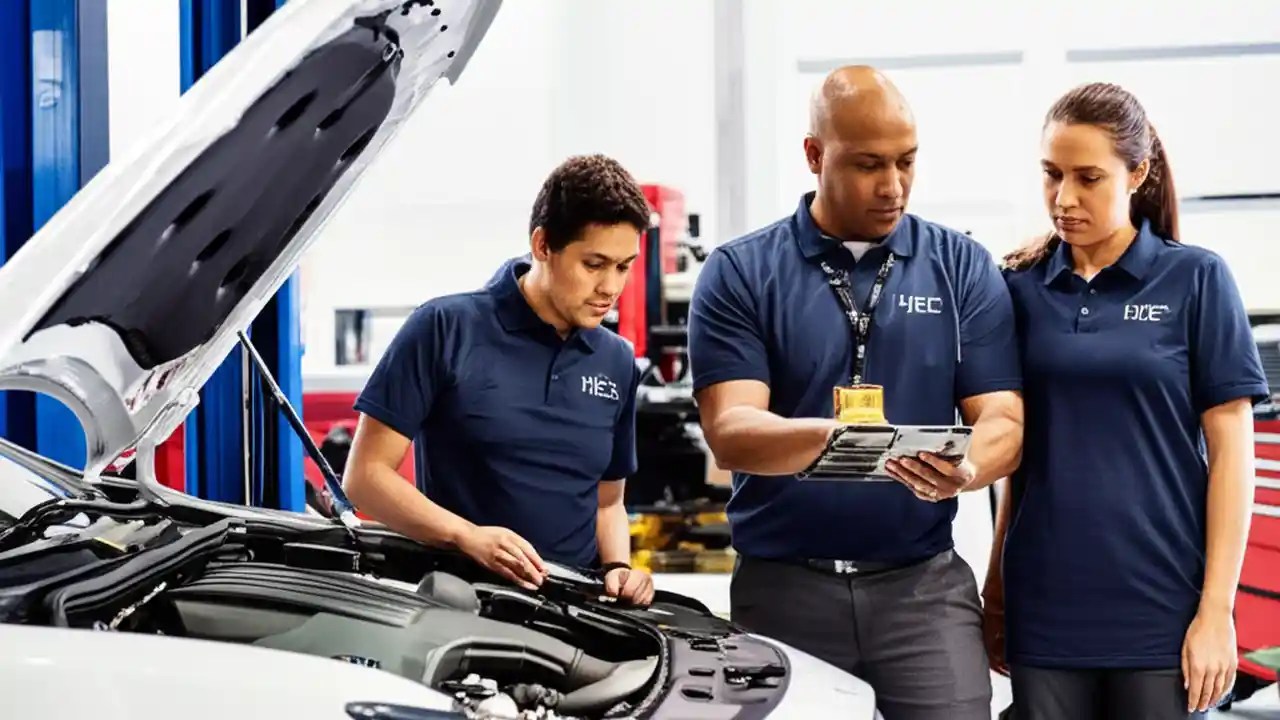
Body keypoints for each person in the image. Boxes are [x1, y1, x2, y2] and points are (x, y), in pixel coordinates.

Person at [687, 64, 1025, 719]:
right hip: (783, 592)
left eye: (906, 161)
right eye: (869, 164)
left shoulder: (961, 266)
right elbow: (731, 432)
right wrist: (842, 441)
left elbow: (1004, 420)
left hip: (923, 592)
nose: (893, 185)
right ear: (814, 156)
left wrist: (968, 468)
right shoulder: (741, 272)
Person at [987, 82, 1267, 719]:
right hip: (1046, 608)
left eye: (1088, 178)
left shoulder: (1197, 279)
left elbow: (1233, 458)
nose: (1064, 198)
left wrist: (1217, 612)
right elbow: (1016, 458)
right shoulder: (1018, 289)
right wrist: (997, 586)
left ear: (1137, 174)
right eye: (1052, 175)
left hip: (1162, 612)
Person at [342, 154, 656, 606]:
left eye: (623, 266)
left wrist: (619, 569)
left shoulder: (618, 361)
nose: (610, 287)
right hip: (461, 604)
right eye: (594, 264)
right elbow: (365, 478)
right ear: (543, 245)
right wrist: (466, 536)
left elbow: (608, 503)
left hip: (576, 614)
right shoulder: (445, 328)